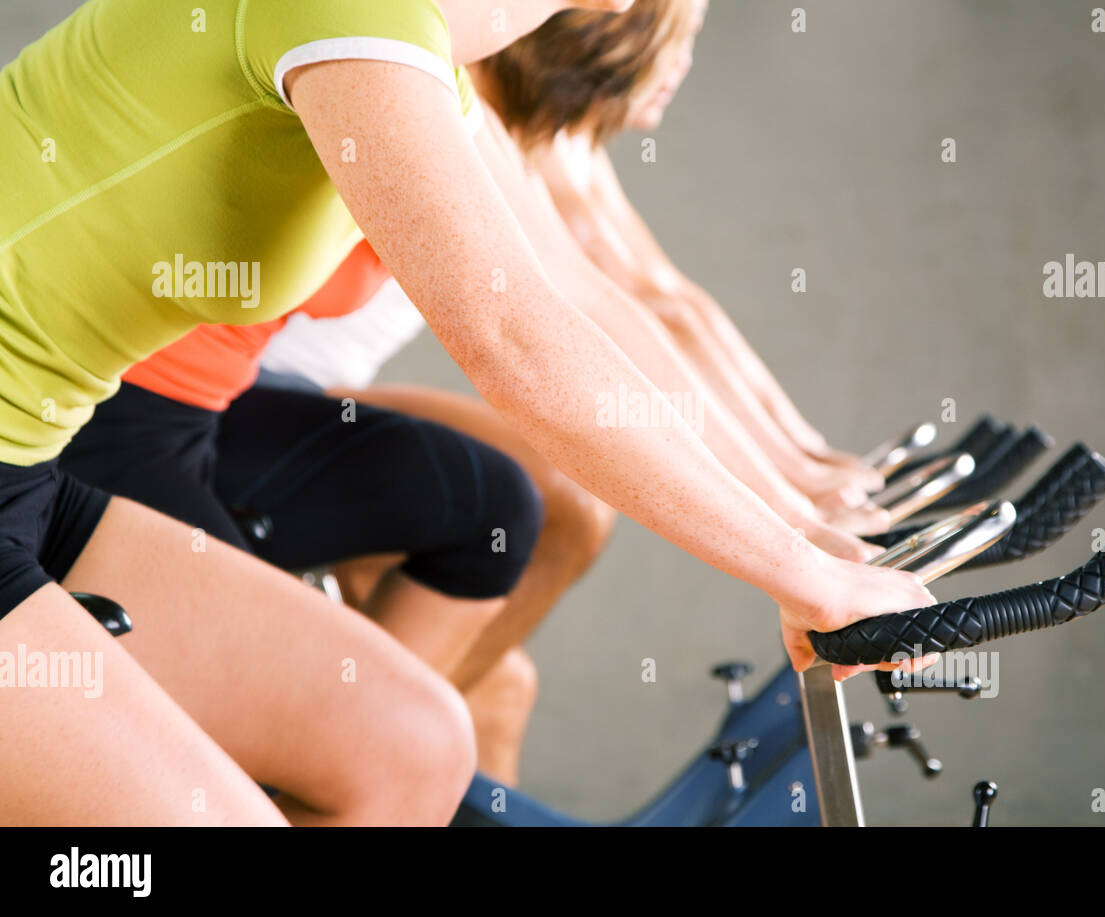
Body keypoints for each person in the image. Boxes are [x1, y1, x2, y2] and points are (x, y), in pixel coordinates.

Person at [0, 0, 932, 824]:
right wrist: (795, 565)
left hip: (31, 472)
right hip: (65, 448)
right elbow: (510, 336)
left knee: (410, 741)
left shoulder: (424, 66)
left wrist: (803, 532)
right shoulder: (359, 16)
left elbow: (585, 305)